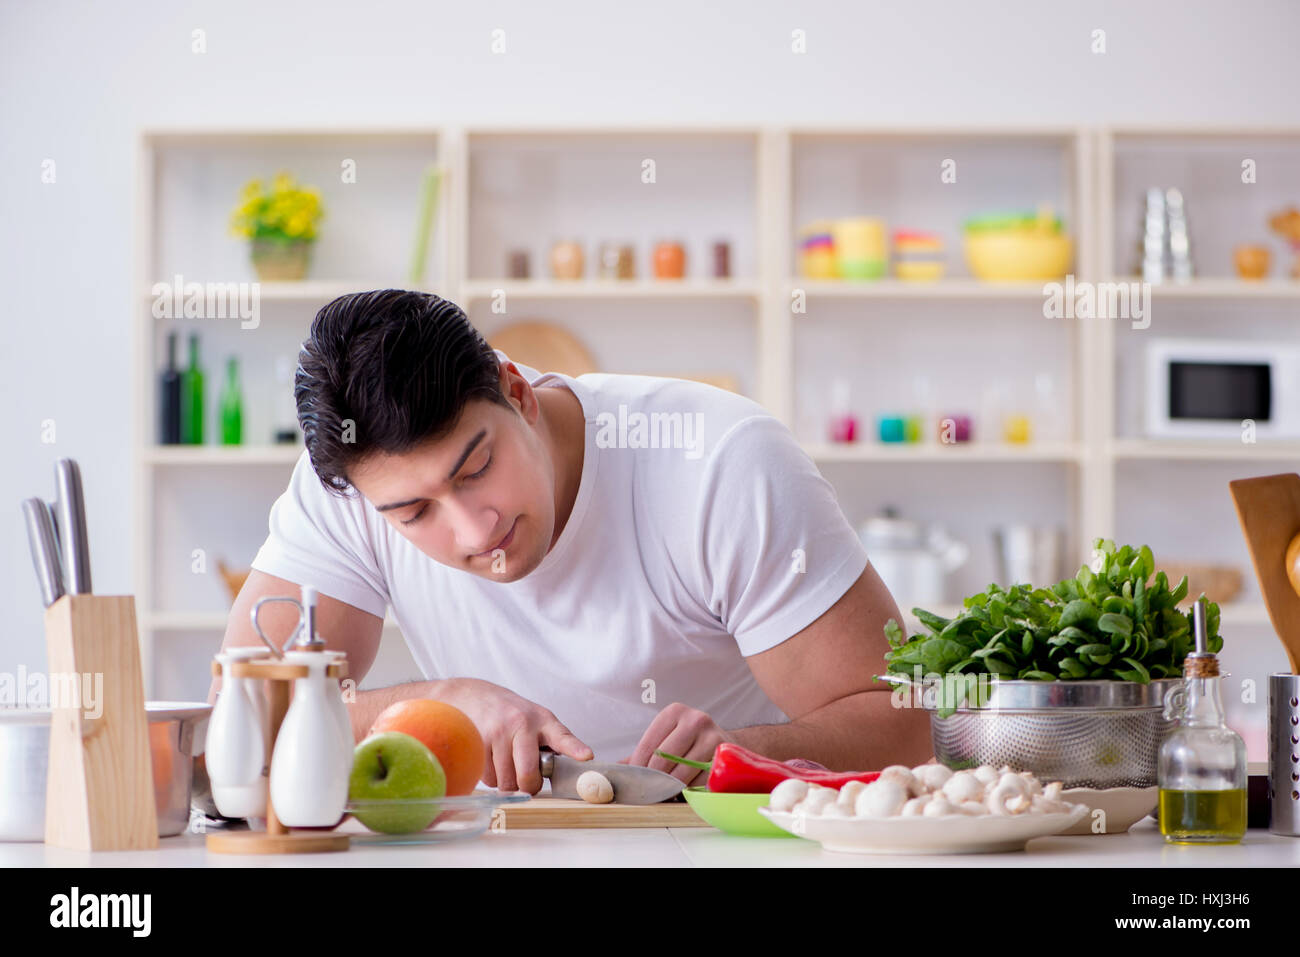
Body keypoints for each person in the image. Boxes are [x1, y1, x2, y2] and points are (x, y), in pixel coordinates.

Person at [210, 289, 929, 794]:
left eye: (477, 468)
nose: (472, 530)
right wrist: (438, 704)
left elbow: (903, 722)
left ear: (516, 390)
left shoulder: (722, 462)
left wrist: (748, 749)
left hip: (725, 835)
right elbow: (239, 709)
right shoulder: (348, 477)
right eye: (411, 513)